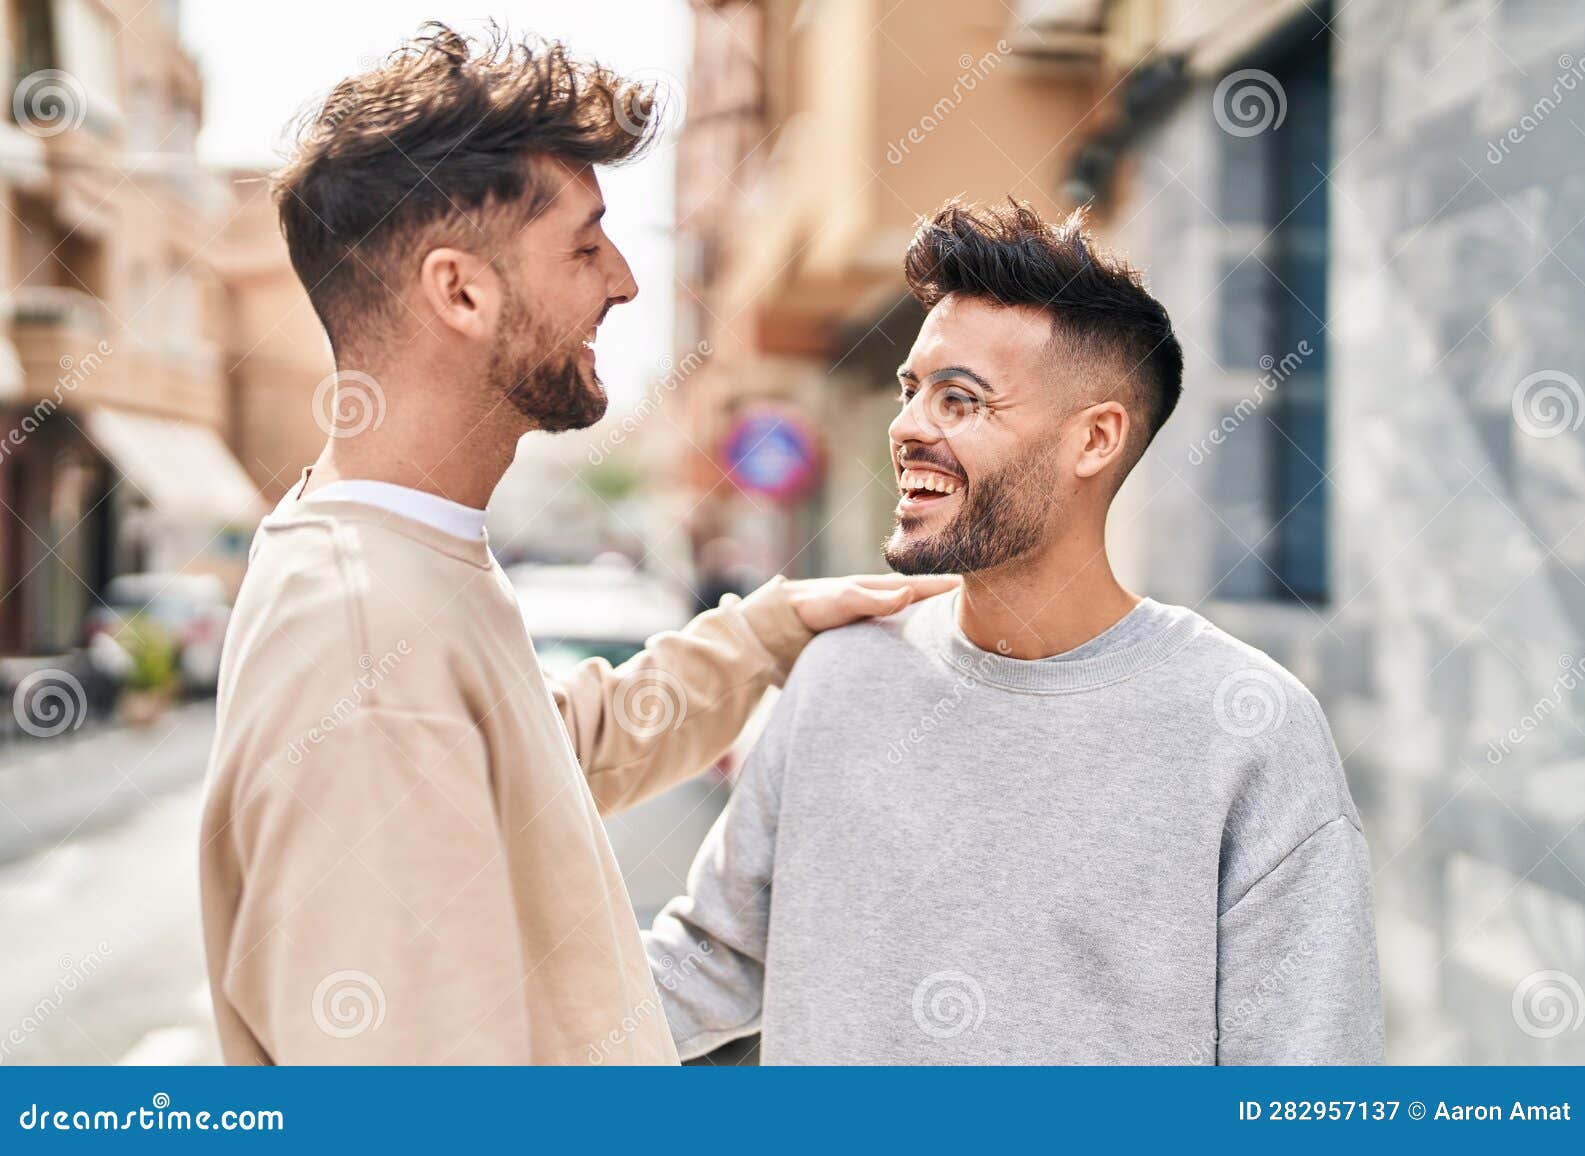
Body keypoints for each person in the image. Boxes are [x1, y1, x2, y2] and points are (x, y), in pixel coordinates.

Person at [198, 25, 952, 1066]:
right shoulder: (366, 633)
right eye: (586, 246)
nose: (626, 282)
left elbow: (545, 758)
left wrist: (768, 633)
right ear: (460, 292)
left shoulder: (402, 563)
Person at [645, 200, 1384, 1064]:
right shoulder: (837, 675)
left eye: (959, 400)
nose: (907, 428)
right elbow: (711, 965)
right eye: (911, 391)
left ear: (1094, 440)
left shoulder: (1247, 725)